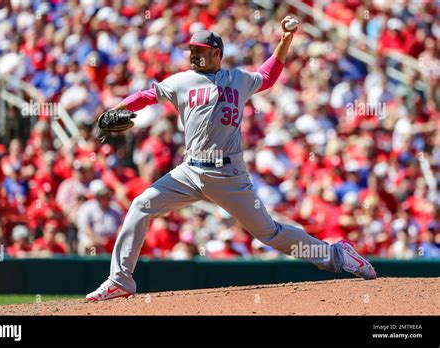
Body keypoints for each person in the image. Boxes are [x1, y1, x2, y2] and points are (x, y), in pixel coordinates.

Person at [86, 16, 377, 301]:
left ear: (217, 53)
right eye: (191, 50)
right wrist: (121, 106)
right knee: (141, 205)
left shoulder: (237, 78)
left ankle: (336, 255)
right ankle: (120, 280)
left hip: (228, 175)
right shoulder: (182, 81)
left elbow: (267, 76)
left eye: (199, 50)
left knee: (270, 234)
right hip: (189, 171)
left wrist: (285, 40)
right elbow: (149, 94)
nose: (193, 55)